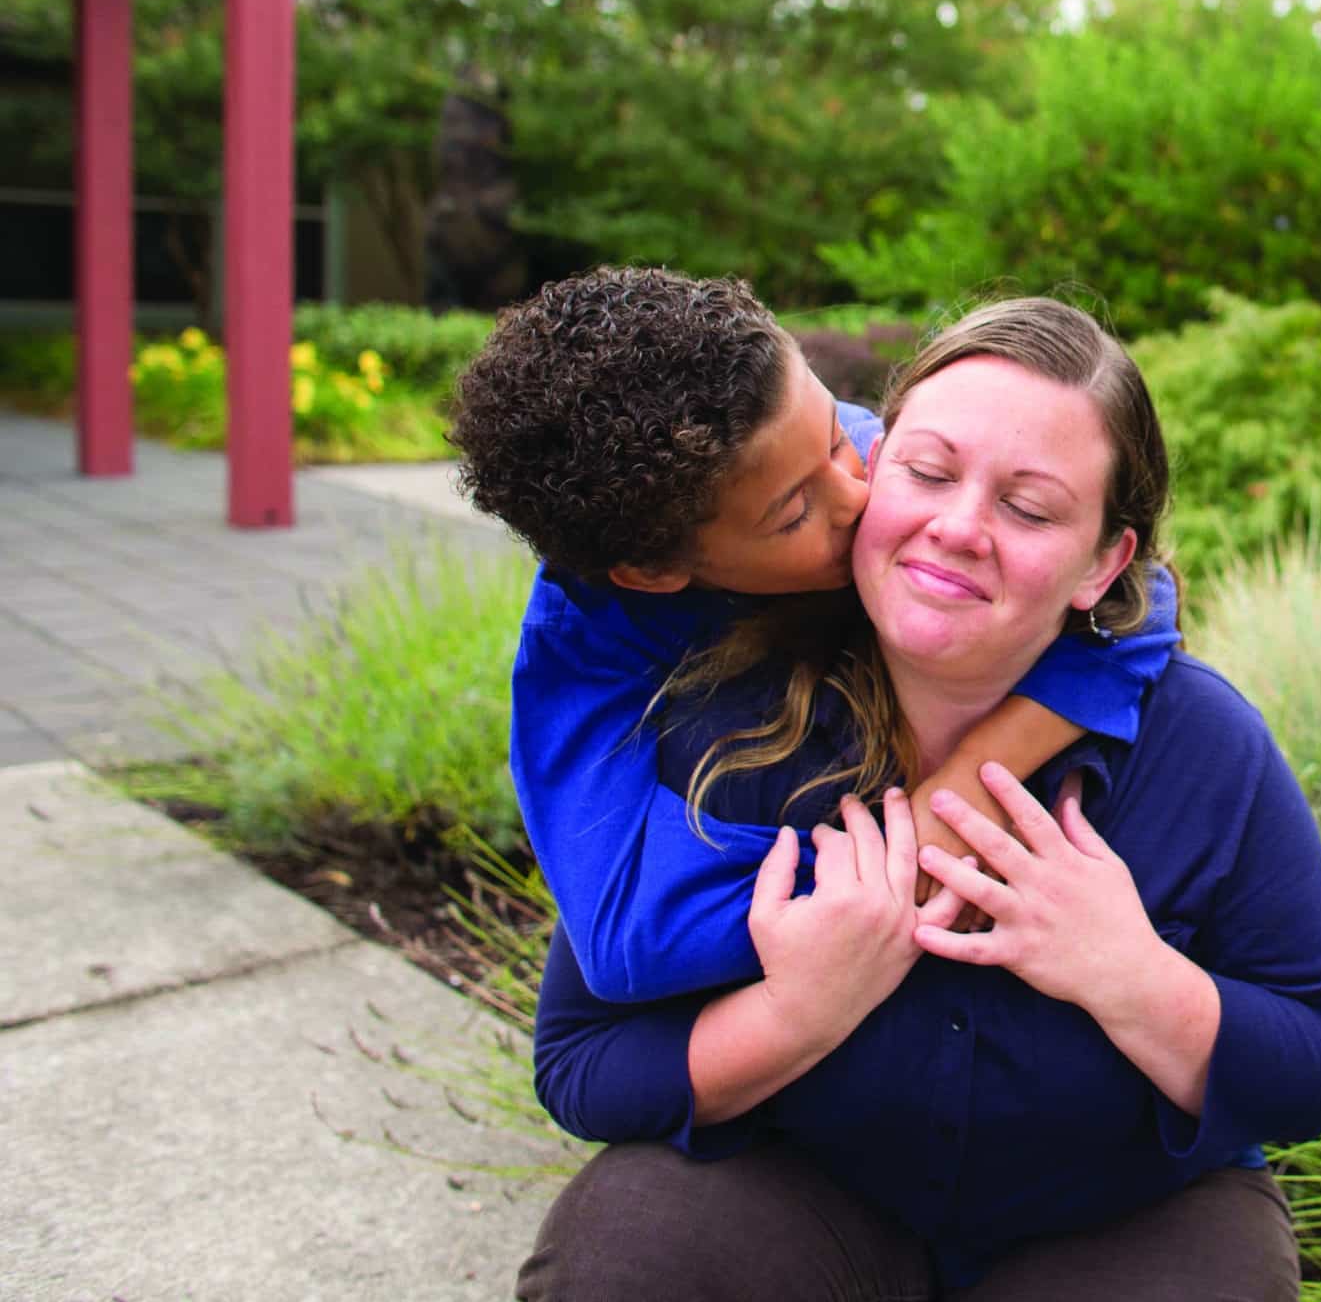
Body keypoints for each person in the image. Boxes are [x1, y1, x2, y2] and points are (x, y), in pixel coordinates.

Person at [519, 298, 1321, 1300]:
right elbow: (582, 1061)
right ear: (873, 466)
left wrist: (1132, 975)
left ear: (1103, 562)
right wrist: (798, 1011)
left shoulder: (1200, 745)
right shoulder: (727, 719)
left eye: (1030, 509)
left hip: (1116, 1216)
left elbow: (1320, 1058)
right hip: (804, 1196)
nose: (959, 528)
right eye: (927, 472)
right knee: (622, 1256)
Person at [448, 268, 1182, 1000]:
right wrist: (893, 871)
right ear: (652, 572)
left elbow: (1137, 589)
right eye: (795, 514)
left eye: (839, 438)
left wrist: (970, 785)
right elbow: (626, 936)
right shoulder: (588, 639)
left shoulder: (794, 445)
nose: (862, 496)